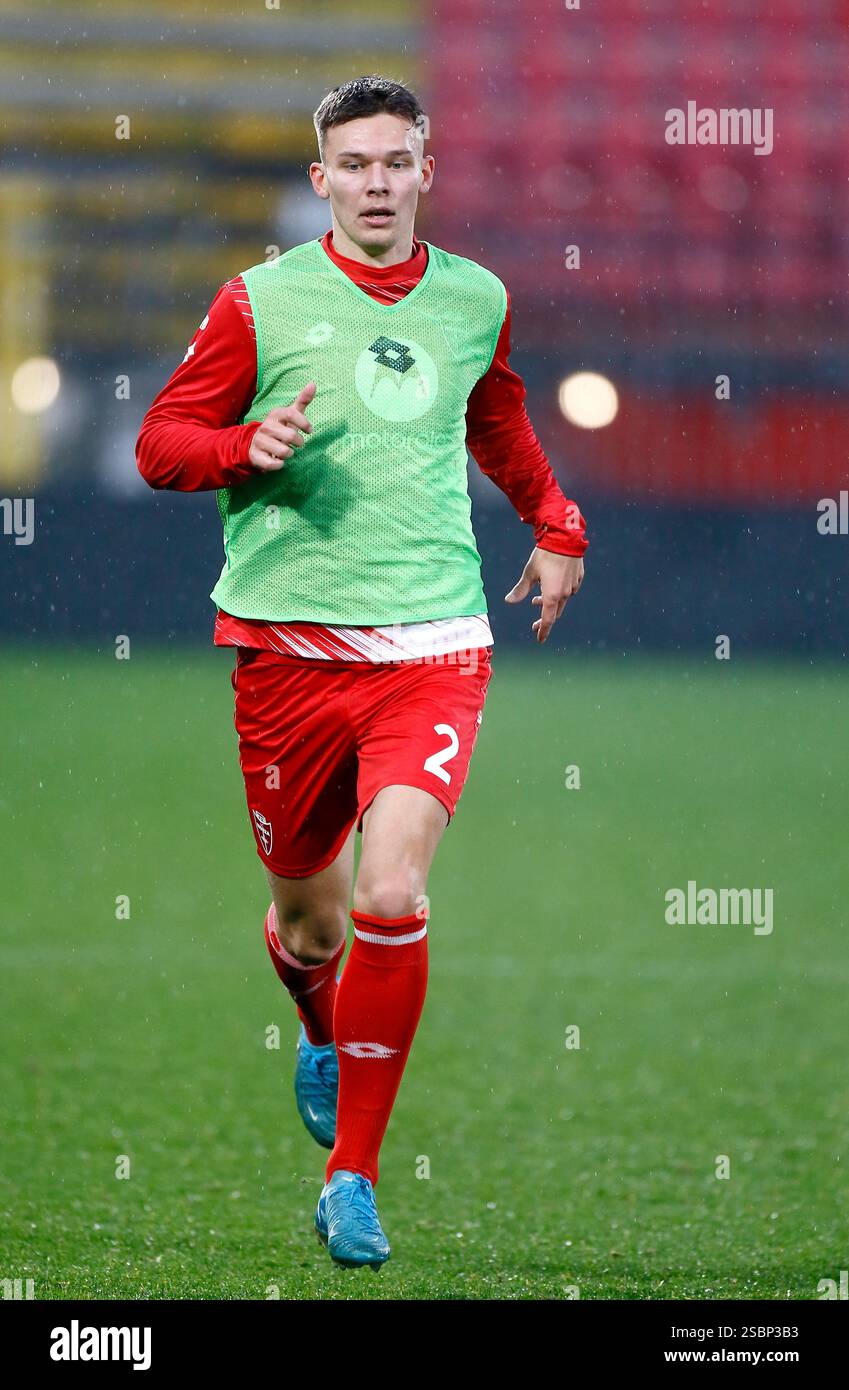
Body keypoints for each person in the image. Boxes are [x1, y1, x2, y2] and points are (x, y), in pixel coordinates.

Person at [136, 73, 588, 1270]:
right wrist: (244, 446)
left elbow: (495, 416)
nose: (378, 183)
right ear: (320, 179)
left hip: (433, 645)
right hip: (285, 650)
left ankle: (353, 1178)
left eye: (400, 162)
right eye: (357, 164)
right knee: (308, 915)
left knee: (392, 893)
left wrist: (554, 522)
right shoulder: (258, 303)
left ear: (426, 173)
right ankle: (316, 1025)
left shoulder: (474, 297)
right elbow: (161, 443)